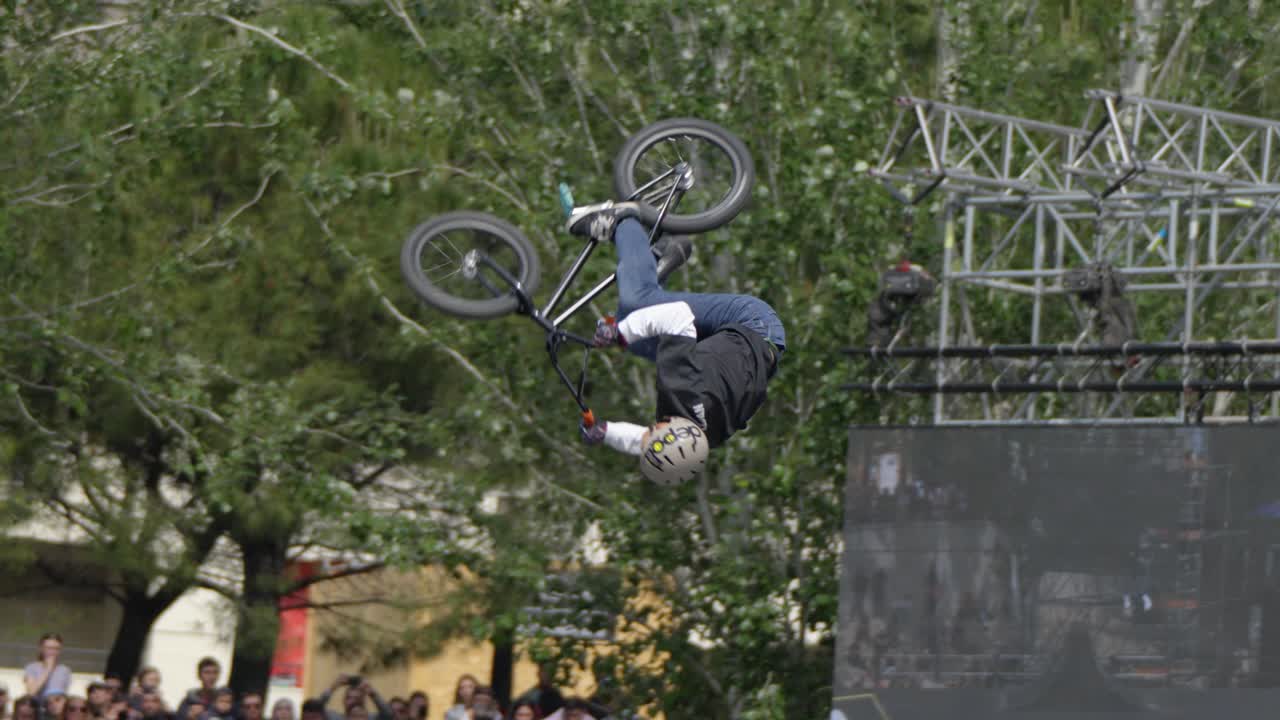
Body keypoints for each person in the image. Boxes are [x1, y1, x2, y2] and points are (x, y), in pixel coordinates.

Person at [565, 203, 785, 482]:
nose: (648, 431)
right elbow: (676, 316)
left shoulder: (697, 438)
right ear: (667, 429)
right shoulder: (681, 388)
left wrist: (606, 432)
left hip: (748, 351)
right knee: (636, 306)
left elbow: (646, 441)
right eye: (653, 431)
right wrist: (620, 332)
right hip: (750, 321)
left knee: (638, 335)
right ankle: (623, 220)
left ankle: (665, 254)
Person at [24, 634, 73, 700]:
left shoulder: (65, 670)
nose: (52, 652)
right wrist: (48, 669)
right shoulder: (32, 668)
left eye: (56, 649)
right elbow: (31, 692)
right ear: (41, 649)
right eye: (49, 648)